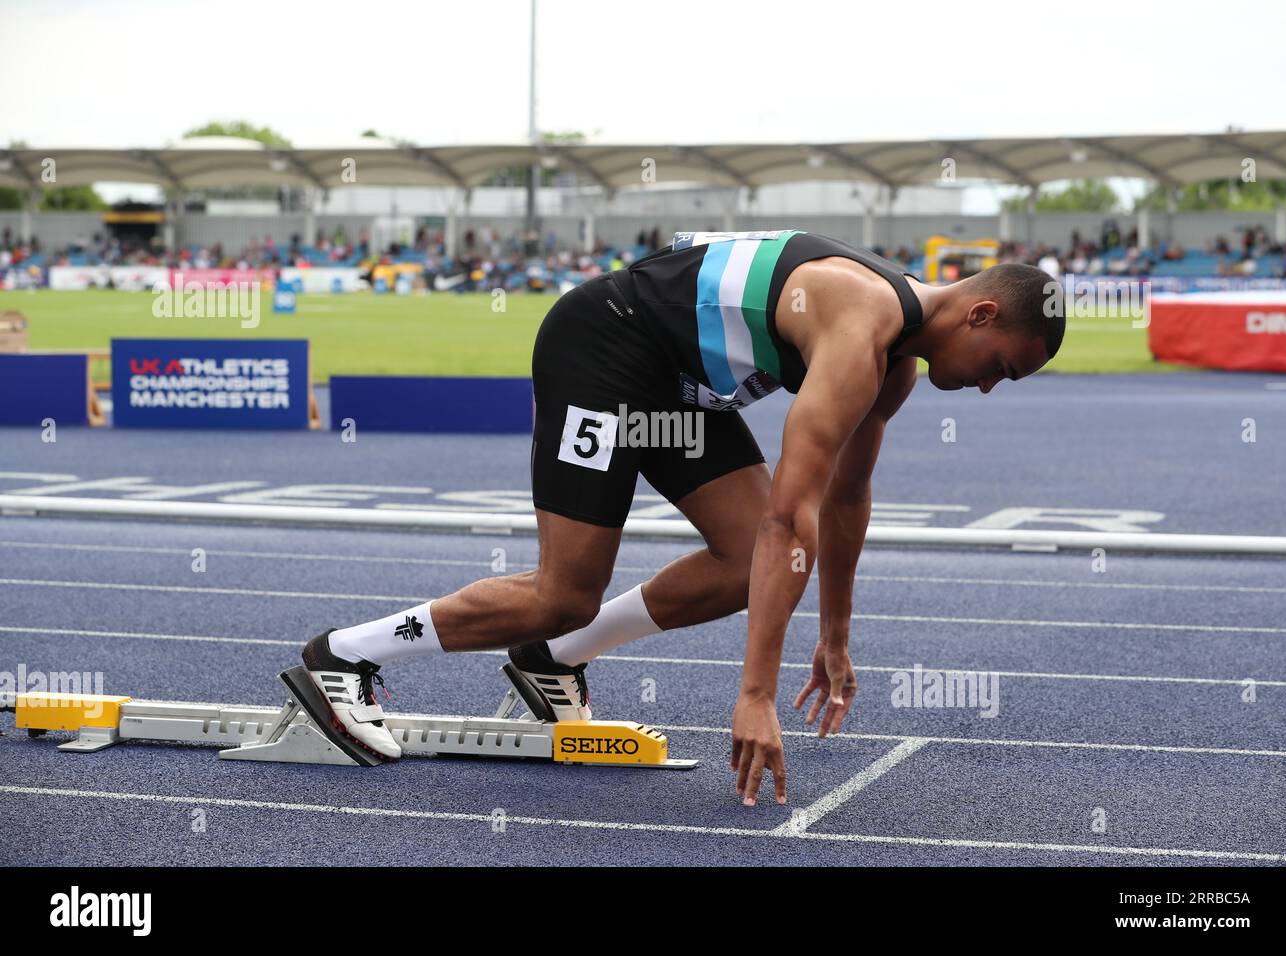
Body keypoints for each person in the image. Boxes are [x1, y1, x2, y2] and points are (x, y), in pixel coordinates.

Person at [297, 229, 1064, 804]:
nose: (992, 387)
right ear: (981, 312)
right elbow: (789, 523)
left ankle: (551, 658)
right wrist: (755, 694)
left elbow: (845, 500)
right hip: (605, 344)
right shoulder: (860, 328)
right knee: (565, 592)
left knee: (739, 564)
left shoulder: (892, 366)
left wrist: (834, 637)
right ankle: (342, 657)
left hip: (677, 386)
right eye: (1002, 367)